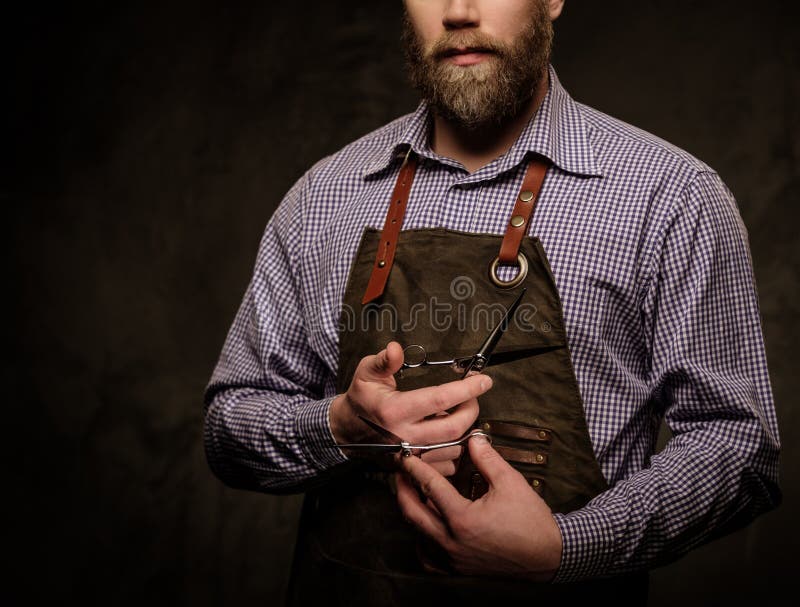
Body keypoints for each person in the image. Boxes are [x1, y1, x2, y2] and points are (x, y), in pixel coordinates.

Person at [203, 0, 781, 604]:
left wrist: (567, 547)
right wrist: (340, 428)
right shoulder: (326, 195)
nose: (459, 11)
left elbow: (736, 446)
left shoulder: (670, 196)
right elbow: (228, 427)